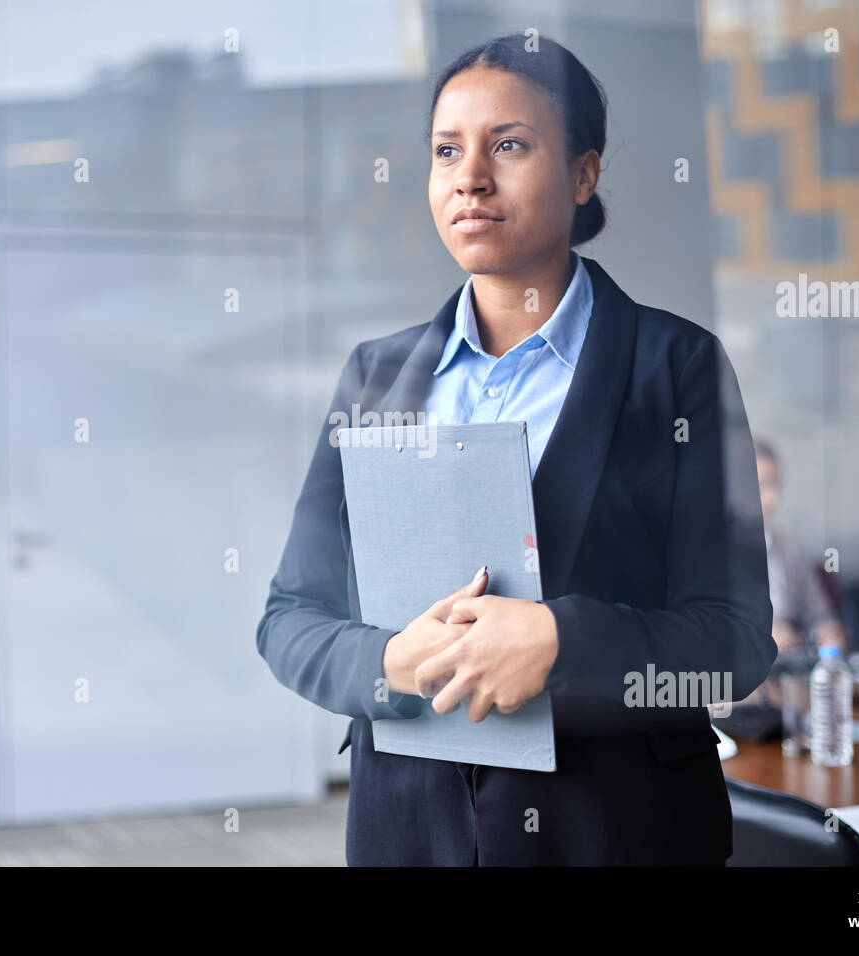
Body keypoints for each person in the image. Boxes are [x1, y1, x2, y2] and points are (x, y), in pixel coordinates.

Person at [256, 34, 774, 866]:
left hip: (616, 836)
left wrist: (564, 642)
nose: (470, 177)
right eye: (447, 151)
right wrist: (385, 659)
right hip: (408, 835)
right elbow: (289, 620)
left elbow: (734, 646)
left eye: (509, 145)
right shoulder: (376, 379)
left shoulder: (675, 369)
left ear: (583, 174)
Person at [754, 439, 846, 656]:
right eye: (760, 485)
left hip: (787, 669)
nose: (773, 498)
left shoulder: (788, 548)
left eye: (776, 484)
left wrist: (827, 632)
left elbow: (820, 616)